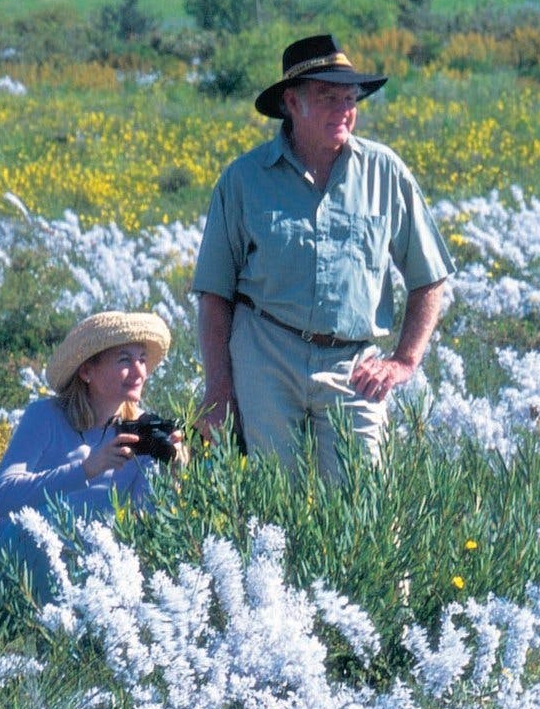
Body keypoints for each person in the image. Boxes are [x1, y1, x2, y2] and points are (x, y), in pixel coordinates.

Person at [190, 34, 452, 485]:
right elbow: (214, 294)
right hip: (266, 354)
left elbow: (429, 278)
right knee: (274, 500)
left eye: (350, 98)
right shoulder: (243, 180)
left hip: (354, 366)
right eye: (327, 97)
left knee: (362, 506)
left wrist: (404, 361)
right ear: (292, 102)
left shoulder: (385, 171)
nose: (343, 109)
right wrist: (219, 388)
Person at [0, 312, 180, 603]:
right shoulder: (45, 416)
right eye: (124, 360)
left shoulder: (141, 433)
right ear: (86, 371)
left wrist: (171, 473)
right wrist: (85, 470)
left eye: (142, 360)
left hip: (88, 591)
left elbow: (144, 524)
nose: (139, 372)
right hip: (19, 579)